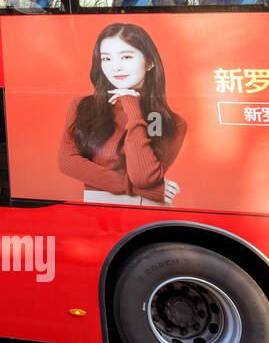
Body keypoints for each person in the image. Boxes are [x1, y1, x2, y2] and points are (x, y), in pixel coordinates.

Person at [58, 23, 186, 206]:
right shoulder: (81, 106)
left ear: (149, 63)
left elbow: (143, 178)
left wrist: (132, 107)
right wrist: (130, 187)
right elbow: (68, 162)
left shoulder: (173, 122)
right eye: (106, 59)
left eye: (126, 57)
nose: (115, 68)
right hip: (100, 206)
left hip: (150, 209)